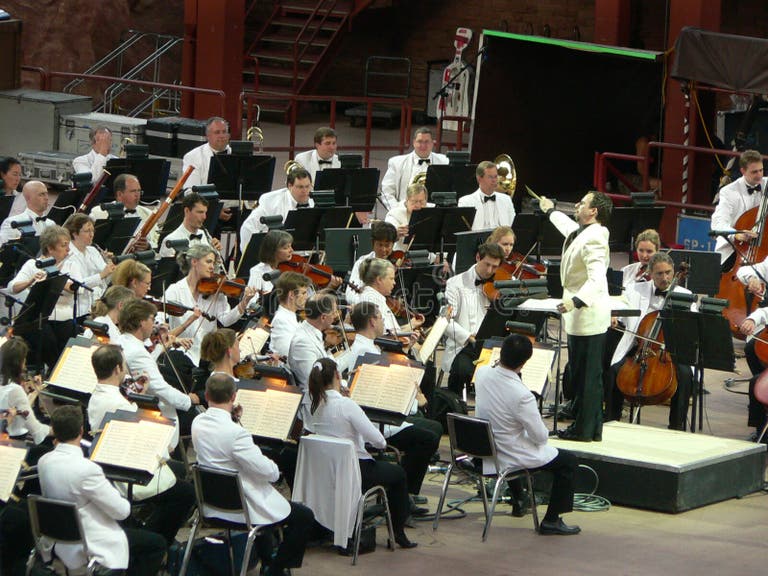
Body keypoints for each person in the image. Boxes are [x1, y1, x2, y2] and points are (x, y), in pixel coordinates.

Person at [192, 373, 314, 575]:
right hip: (240, 508)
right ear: (233, 397)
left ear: (206, 395)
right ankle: (274, 569)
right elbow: (267, 471)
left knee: (265, 504)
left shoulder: (197, 422)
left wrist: (234, 420)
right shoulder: (236, 433)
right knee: (303, 516)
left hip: (211, 505)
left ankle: (267, 560)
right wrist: (277, 473)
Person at [87, 344, 195, 546]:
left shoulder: (98, 395)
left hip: (115, 458)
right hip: (127, 466)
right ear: (118, 369)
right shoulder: (118, 403)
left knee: (179, 469)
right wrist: (163, 448)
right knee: (186, 493)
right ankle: (157, 539)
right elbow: (139, 428)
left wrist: (140, 394)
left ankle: (147, 527)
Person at [475, 334, 580, 535]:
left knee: (513, 438)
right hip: (505, 455)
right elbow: (540, 437)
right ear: (524, 362)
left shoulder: (481, 373)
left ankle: (519, 499)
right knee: (568, 462)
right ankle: (551, 520)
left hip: (482, 449)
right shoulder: (522, 394)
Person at [308, 358, 418, 548]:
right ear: (337, 375)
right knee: (399, 474)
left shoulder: (315, 405)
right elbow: (380, 442)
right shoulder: (346, 405)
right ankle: (398, 532)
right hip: (356, 470)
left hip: (328, 469)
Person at [349, 301, 441, 505]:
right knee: (427, 438)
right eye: (381, 317)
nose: (383, 322)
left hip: (380, 414)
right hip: (376, 419)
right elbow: (382, 393)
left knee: (434, 428)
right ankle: (401, 495)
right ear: (372, 321)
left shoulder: (367, 346)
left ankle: (407, 491)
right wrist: (415, 401)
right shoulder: (368, 353)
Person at [538, 191, 612, 442]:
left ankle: (582, 430)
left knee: (588, 378)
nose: (578, 204)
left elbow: (597, 279)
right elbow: (567, 227)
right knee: (585, 375)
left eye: (583, 202)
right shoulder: (583, 232)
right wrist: (550, 210)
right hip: (579, 315)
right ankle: (593, 429)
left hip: (587, 314)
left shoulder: (595, 239)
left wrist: (575, 301)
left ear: (594, 211)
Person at [607, 253, 694, 430]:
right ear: (650, 274)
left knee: (685, 375)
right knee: (614, 371)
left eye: (668, 273)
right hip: (639, 345)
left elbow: (689, 329)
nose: (665, 278)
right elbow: (620, 306)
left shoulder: (685, 295)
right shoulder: (634, 289)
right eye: (659, 274)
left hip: (669, 351)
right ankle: (610, 420)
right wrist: (614, 314)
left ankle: (677, 427)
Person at [118, 298, 200, 450]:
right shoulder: (136, 352)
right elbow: (160, 388)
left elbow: (144, 365)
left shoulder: (123, 340)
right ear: (141, 322)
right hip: (155, 417)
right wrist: (188, 400)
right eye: (152, 319)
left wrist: (161, 348)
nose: (154, 325)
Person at [163, 244, 256, 365]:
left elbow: (226, 320)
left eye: (213, 263)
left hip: (208, 357)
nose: (212, 267)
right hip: (181, 355)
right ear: (194, 262)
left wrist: (245, 301)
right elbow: (162, 328)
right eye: (208, 262)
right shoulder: (174, 290)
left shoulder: (216, 290)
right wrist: (176, 339)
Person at [443, 242, 505, 397]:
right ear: (478, 257)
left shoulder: (502, 284)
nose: (490, 271)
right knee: (462, 371)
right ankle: (455, 405)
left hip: (492, 346)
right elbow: (445, 321)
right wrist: (469, 337)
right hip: (464, 345)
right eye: (487, 265)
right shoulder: (455, 283)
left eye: (495, 267)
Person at [7, 225, 70, 371]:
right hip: (36, 319)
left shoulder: (69, 265)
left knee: (70, 335)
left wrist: (62, 281)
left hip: (61, 317)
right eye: (63, 245)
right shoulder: (32, 264)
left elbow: (77, 289)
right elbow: (12, 287)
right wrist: (30, 282)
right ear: (50, 248)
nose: (68, 250)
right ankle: (55, 375)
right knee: (48, 341)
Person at [287, 292, 346, 426]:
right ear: (324, 317)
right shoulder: (303, 342)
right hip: (317, 406)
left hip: (328, 394)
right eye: (334, 311)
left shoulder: (312, 332)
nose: (337, 315)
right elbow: (313, 380)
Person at [54, 214, 116, 341]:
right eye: (87, 231)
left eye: (93, 230)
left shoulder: (93, 250)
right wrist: (101, 275)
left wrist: (112, 270)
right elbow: (77, 285)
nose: (92, 234)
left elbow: (105, 280)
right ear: (75, 234)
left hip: (98, 307)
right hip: (79, 311)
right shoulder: (67, 254)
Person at [711, 149, 767, 269]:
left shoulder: (766, 184)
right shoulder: (728, 192)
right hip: (734, 250)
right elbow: (718, 223)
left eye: (761, 170)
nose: (759, 175)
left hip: (762, 249)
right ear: (743, 171)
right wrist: (736, 234)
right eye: (754, 172)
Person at [240, 167, 315, 251]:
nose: (305, 191)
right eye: (300, 187)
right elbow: (248, 227)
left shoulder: (315, 200)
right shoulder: (271, 201)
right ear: (289, 186)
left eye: (307, 186)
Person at [380, 126, 448, 212]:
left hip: (434, 211)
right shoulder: (396, 163)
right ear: (414, 142)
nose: (423, 145)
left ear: (432, 143)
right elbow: (386, 192)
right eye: (419, 141)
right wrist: (397, 211)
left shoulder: (445, 161)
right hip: (404, 210)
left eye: (427, 142)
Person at [0, 337, 50, 444]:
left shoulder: (7, 384)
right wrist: (58, 431)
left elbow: (21, 408)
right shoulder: (15, 389)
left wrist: (35, 393)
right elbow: (37, 430)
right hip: (13, 439)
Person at [357, 257, 424, 336]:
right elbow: (387, 337)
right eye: (391, 278)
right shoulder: (371, 299)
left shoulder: (375, 297)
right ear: (379, 280)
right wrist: (410, 326)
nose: (394, 283)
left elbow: (392, 332)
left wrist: (411, 325)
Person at [90, 173, 156, 251]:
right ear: (119, 194)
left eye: (139, 191)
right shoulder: (99, 212)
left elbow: (156, 241)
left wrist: (148, 246)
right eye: (133, 191)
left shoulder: (148, 213)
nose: (137, 195)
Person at [346, 220, 398, 306]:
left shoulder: (398, 261)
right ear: (373, 243)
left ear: (393, 245)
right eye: (380, 245)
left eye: (387, 245)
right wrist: (369, 304)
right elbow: (350, 295)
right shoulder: (363, 263)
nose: (383, 250)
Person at [159, 192, 222, 258]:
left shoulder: (205, 234)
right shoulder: (170, 240)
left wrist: (216, 254)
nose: (204, 217)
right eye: (200, 212)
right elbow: (168, 267)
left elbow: (214, 266)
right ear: (187, 211)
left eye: (205, 212)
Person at [457, 160, 516, 231]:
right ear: (479, 179)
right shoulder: (465, 202)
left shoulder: (506, 199)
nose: (494, 180)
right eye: (490, 177)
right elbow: (465, 233)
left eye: (496, 176)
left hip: (501, 240)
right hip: (480, 241)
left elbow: (513, 228)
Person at [182, 116, 232, 190]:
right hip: (205, 200)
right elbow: (190, 191)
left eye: (224, 132)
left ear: (229, 135)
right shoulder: (193, 157)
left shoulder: (237, 153)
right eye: (217, 132)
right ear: (207, 136)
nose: (222, 136)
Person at [270, 271, 311, 358]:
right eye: (303, 293)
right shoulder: (281, 320)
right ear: (291, 295)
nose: (307, 297)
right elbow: (289, 355)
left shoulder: (291, 316)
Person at [0, 180, 55, 245]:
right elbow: (2, 250)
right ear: (28, 198)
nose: (46, 198)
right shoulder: (13, 222)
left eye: (46, 194)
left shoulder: (51, 224)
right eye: (41, 194)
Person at [385, 182, 432, 252]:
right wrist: (395, 234)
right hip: (400, 257)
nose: (418, 206)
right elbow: (385, 238)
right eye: (414, 202)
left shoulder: (433, 211)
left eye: (421, 202)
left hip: (428, 257)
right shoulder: (394, 214)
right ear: (407, 201)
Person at [247, 229, 295, 295]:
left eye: (290, 246)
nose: (291, 250)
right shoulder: (257, 271)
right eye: (286, 248)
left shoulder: (287, 269)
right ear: (273, 251)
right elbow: (251, 301)